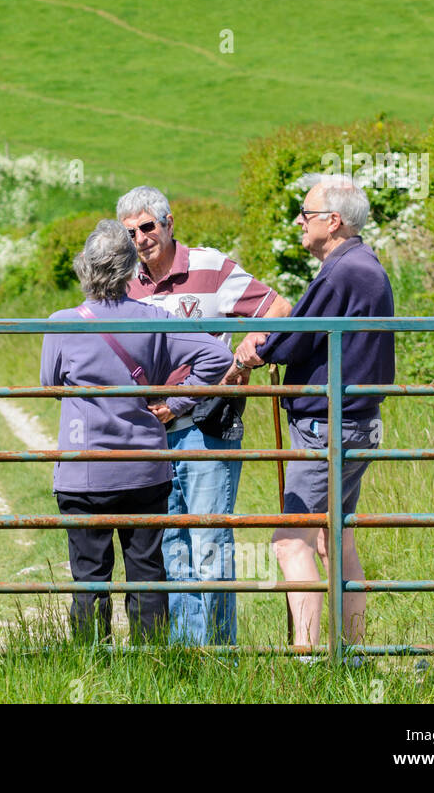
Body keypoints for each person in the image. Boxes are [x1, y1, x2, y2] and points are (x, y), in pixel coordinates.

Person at [40, 221, 233, 642]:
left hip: (83, 470)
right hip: (145, 469)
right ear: (130, 271)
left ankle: (91, 661)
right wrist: (178, 401)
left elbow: (50, 384)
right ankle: (152, 662)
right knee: (147, 571)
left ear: (85, 270)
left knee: (89, 576)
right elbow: (217, 356)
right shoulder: (156, 319)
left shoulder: (62, 323)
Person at [118, 185, 292, 646]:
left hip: (206, 424)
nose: (140, 238)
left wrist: (248, 349)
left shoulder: (210, 268)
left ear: (169, 222)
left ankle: (216, 655)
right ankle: (186, 655)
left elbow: (278, 309)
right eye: (130, 231)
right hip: (149, 432)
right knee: (171, 544)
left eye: (147, 226)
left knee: (210, 540)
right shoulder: (126, 280)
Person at [232, 176, 395, 653]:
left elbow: (296, 337)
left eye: (307, 213)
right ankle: (351, 654)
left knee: (290, 542)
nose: (299, 221)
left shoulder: (343, 270)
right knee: (334, 538)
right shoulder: (361, 265)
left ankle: (308, 660)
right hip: (353, 421)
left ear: (334, 220)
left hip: (329, 425)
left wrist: (252, 351)